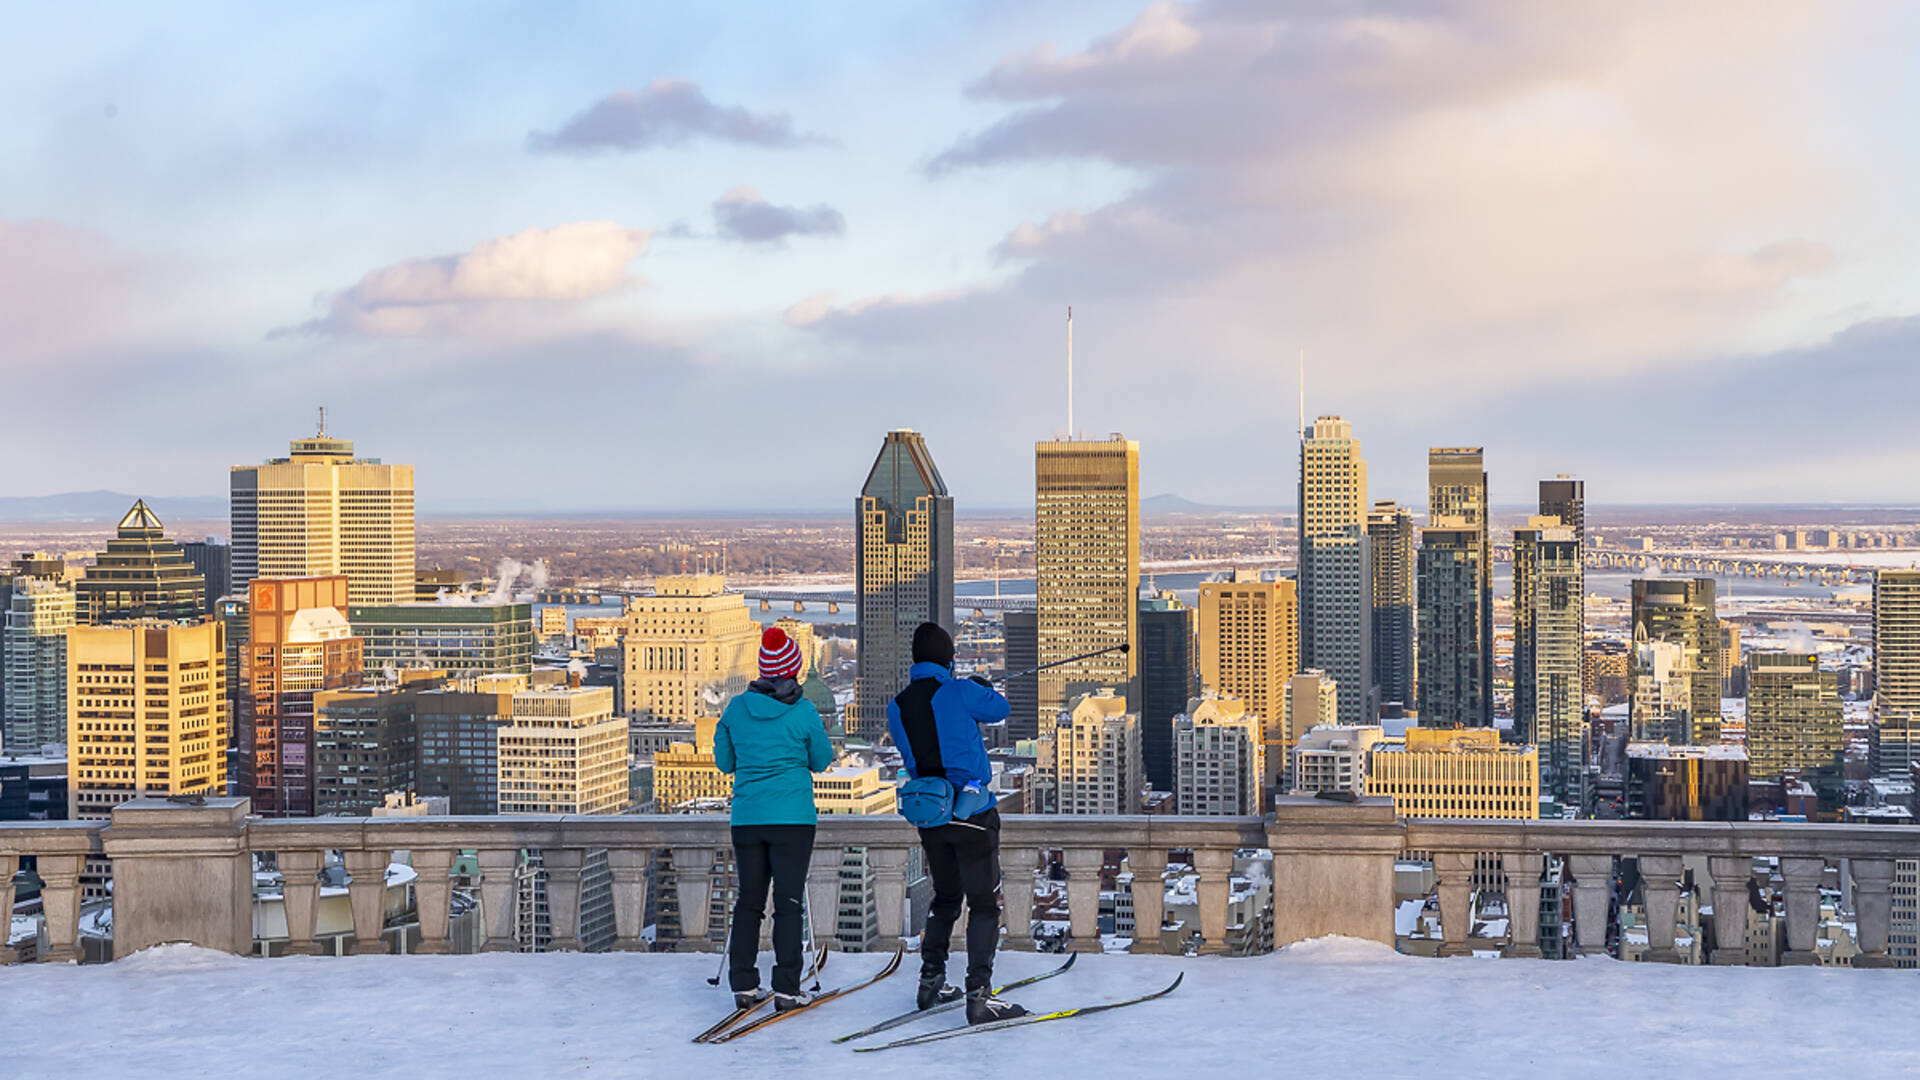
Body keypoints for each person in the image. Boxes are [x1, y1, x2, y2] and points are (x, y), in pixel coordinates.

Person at [887, 621, 1028, 1024]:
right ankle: (979, 996)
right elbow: (1000, 709)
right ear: (949, 658)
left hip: (930, 815)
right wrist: (976, 687)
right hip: (971, 813)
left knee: (946, 898)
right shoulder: (959, 690)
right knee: (984, 904)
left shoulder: (896, 705)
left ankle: (929, 982)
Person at [714, 626, 834, 1011]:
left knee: (748, 901)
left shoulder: (735, 709)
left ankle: (744, 985)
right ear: (794, 672)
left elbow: (724, 762)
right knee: (788, 902)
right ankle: (786, 987)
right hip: (793, 820)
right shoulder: (804, 712)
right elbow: (821, 761)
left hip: (747, 819)